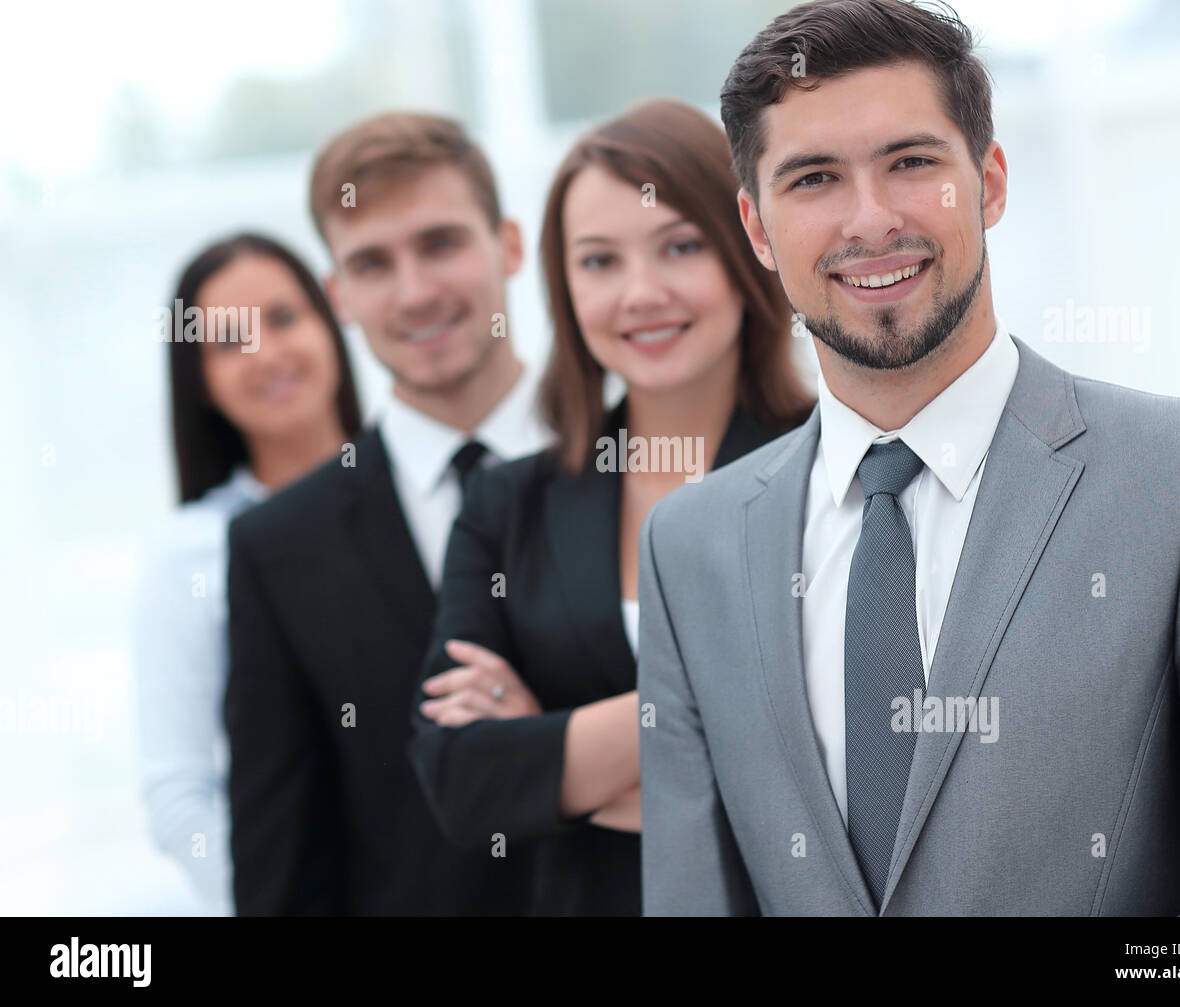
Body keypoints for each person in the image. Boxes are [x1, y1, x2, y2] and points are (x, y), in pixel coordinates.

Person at [638, 0, 1180, 916]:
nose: (869, 221)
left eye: (910, 163)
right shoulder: (690, 545)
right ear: (756, 226)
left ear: (988, 181)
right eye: (815, 178)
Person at [407, 98, 814, 916]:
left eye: (681, 246)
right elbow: (461, 777)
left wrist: (561, 759)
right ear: (563, 285)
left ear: (747, 245)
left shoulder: (836, 468)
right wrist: (720, 726)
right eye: (598, 262)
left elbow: (856, 743)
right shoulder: (505, 503)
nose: (641, 293)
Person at [223, 113, 551, 915]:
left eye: (440, 243)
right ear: (338, 295)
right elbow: (282, 864)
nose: (414, 292)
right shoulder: (277, 546)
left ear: (508, 245)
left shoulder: (638, 465)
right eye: (373, 263)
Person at [134, 233, 363, 914]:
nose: (266, 354)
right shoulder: (192, 552)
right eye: (228, 342)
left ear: (332, 317)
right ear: (197, 378)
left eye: (284, 317)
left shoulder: (427, 486)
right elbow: (179, 791)